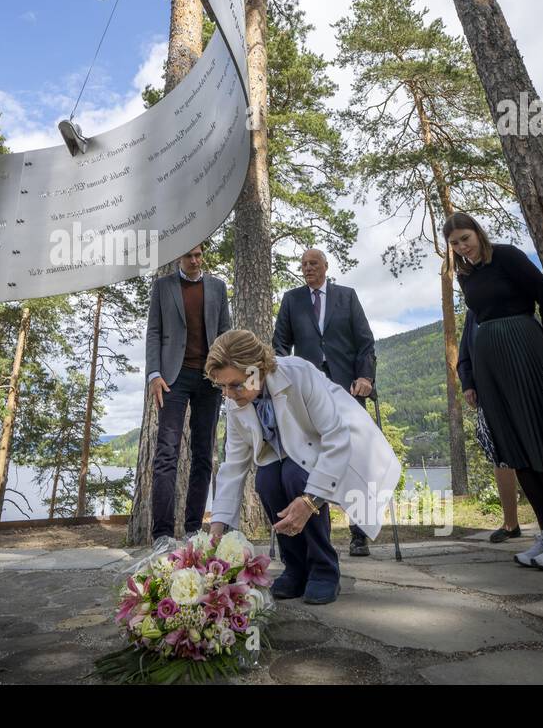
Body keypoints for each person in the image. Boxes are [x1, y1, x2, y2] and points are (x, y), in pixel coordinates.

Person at [443, 212, 543, 573]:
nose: (463, 246)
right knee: (516, 450)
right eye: (455, 243)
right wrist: (473, 379)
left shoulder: (507, 256)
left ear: (478, 232)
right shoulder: (465, 276)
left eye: (466, 237)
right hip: (491, 367)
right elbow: (475, 325)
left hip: (527, 353)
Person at [205, 330, 401, 605]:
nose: (227, 394)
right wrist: (217, 527)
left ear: (255, 369)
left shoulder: (299, 374)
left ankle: (324, 568)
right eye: (221, 387)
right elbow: (234, 465)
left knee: (296, 475)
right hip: (288, 454)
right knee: (267, 480)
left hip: (338, 445)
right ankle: (295, 567)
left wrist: (309, 502)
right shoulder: (236, 401)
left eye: (234, 385)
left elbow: (336, 436)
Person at [271, 248, 378, 557]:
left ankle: (359, 533)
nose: (307, 268)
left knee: (355, 457)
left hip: (348, 386)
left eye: (313, 263)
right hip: (308, 390)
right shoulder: (292, 300)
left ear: (326, 267)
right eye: (303, 264)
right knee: (310, 457)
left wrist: (366, 378)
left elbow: (365, 342)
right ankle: (318, 535)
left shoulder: (347, 296)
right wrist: (283, 375)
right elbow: (280, 343)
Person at [144, 243, 232, 545]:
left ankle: (194, 528)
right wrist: (153, 374)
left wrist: (226, 378)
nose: (195, 260)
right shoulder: (163, 287)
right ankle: (163, 534)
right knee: (167, 453)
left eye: (198, 254)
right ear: (178, 257)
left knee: (203, 455)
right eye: (188, 255)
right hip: (172, 378)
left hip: (209, 380)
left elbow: (225, 333)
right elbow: (154, 331)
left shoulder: (218, 288)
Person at [457, 308, 522, 542]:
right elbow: (464, 354)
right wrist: (468, 384)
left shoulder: (516, 303)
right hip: (487, 392)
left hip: (521, 389)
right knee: (500, 455)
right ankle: (510, 523)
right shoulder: (472, 313)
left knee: (531, 454)